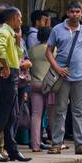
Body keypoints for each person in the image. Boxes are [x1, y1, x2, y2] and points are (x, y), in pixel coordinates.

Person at [46, 1, 82, 155]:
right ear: (67, 12)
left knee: (79, 111)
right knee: (60, 110)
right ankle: (56, 144)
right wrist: (57, 68)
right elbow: (49, 51)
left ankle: (80, 145)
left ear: (81, 13)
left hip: (80, 76)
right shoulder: (57, 30)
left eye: (78, 11)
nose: (75, 14)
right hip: (63, 76)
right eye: (72, 11)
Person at [0, 6, 31, 163]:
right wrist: (5, 66)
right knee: (3, 115)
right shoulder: (4, 32)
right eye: (19, 18)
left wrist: (18, 41)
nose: (21, 21)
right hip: (7, 74)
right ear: (13, 18)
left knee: (12, 115)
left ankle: (12, 149)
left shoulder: (12, 34)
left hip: (13, 73)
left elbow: (18, 55)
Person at [27, 23, 53, 152]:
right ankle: (56, 142)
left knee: (36, 115)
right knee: (53, 114)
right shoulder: (53, 49)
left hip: (34, 83)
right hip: (49, 85)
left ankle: (35, 144)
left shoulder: (32, 50)